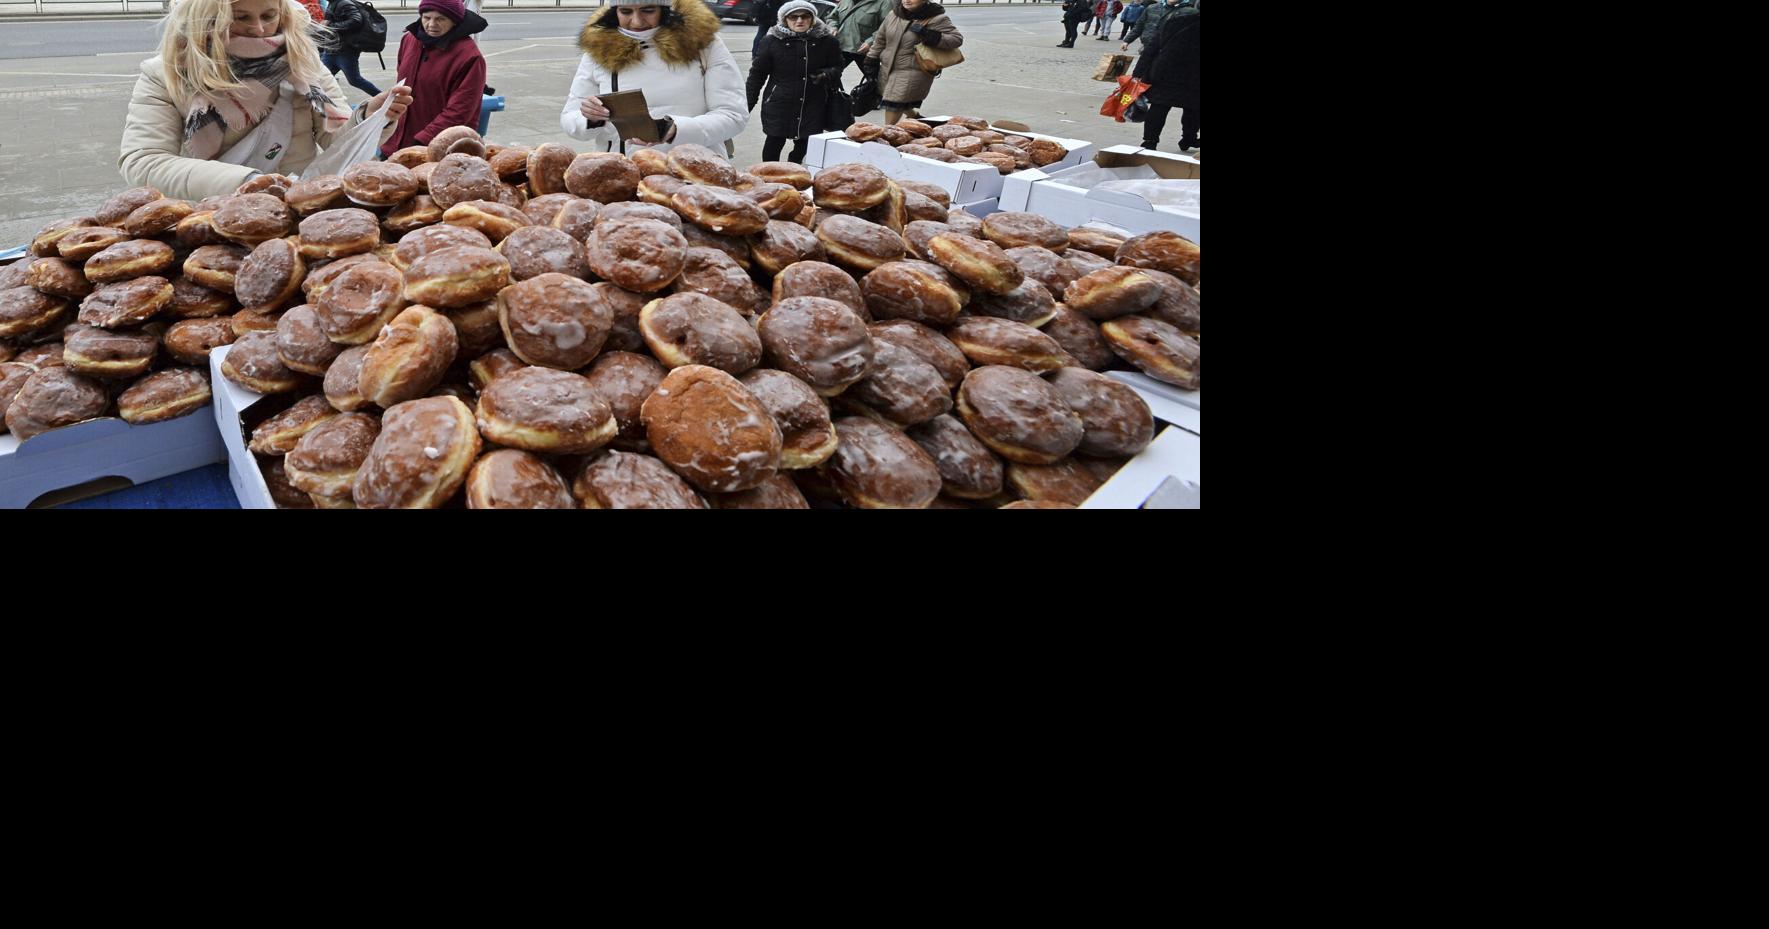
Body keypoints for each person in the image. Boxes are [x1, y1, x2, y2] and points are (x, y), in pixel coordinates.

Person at [119, 0, 409, 200]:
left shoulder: (303, 62)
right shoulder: (167, 73)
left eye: (269, 16)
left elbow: (335, 138)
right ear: (207, 18)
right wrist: (245, 181)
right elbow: (143, 161)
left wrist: (370, 117)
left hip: (300, 207)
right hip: (221, 212)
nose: (259, 29)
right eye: (241, 17)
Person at [561, 1, 747, 155]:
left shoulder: (704, 45)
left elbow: (733, 115)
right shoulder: (597, 49)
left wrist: (677, 130)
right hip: (621, 176)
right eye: (625, 11)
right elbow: (570, 117)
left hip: (692, 170)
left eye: (648, 10)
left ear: (665, 9)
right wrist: (591, 118)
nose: (636, 22)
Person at [379, 0, 487, 158]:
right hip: (395, 141)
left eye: (440, 19)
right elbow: (402, 83)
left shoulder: (470, 57)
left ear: (454, 20)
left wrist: (422, 140)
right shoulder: (409, 40)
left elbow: (460, 111)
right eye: (426, 17)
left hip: (437, 149)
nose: (431, 24)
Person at [746, 1, 843, 165]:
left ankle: (794, 167)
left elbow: (838, 65)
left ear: (812, 18)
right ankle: (768, 176)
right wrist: (747, 103)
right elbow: (757, 75)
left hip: (813, 102)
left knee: (805, 143)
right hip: (779, 101)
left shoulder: (827, 41)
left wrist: (827, 74)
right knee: (774, 142)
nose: (799, 21)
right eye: (793, 17)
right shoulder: (771, 41)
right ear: (785, 19)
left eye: (805, 16)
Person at [865, 0, 961, 126]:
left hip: (914, 69)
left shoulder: (937, 18)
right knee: (896, 99)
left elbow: (956, 39)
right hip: (888, 68)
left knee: (894, 101)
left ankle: (887, 132)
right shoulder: (894, 14)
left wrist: (929, 34)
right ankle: (918, 119)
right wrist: (871, 58)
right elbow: (880, 39)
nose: (907, 0)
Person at [1130, 0, 1197, 152]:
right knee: (1193, 109)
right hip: (1194, 77)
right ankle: (1188, 138)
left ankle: (1150, 141)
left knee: (1159, 106)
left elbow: (1152, 48)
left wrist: (1138, 73)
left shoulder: (1173, 22)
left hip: (1165, 72)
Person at [322, 0, 383, 97]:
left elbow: (356, 20)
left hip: (345, 51)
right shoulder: (332, 4)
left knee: (355, 80)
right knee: (322, 78)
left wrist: (331, 26)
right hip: (331, 50)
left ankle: (383, 97)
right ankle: (325, 104)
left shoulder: (344, 3)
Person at [828, 0, 887, 82]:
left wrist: (871, 41)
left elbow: (887, 27)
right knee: (829, 77)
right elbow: (833, 17)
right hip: (841, 46)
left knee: (875, 82)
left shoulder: (883, 2)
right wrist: (833, 27)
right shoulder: (845, 1)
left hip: (865, 50)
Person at [1120, 0, 1187, 53]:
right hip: (1147, 47)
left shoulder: (1189, 12)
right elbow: (1139, 26)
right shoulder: (1152, 8)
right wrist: (1127, 41)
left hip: (1169, 52)